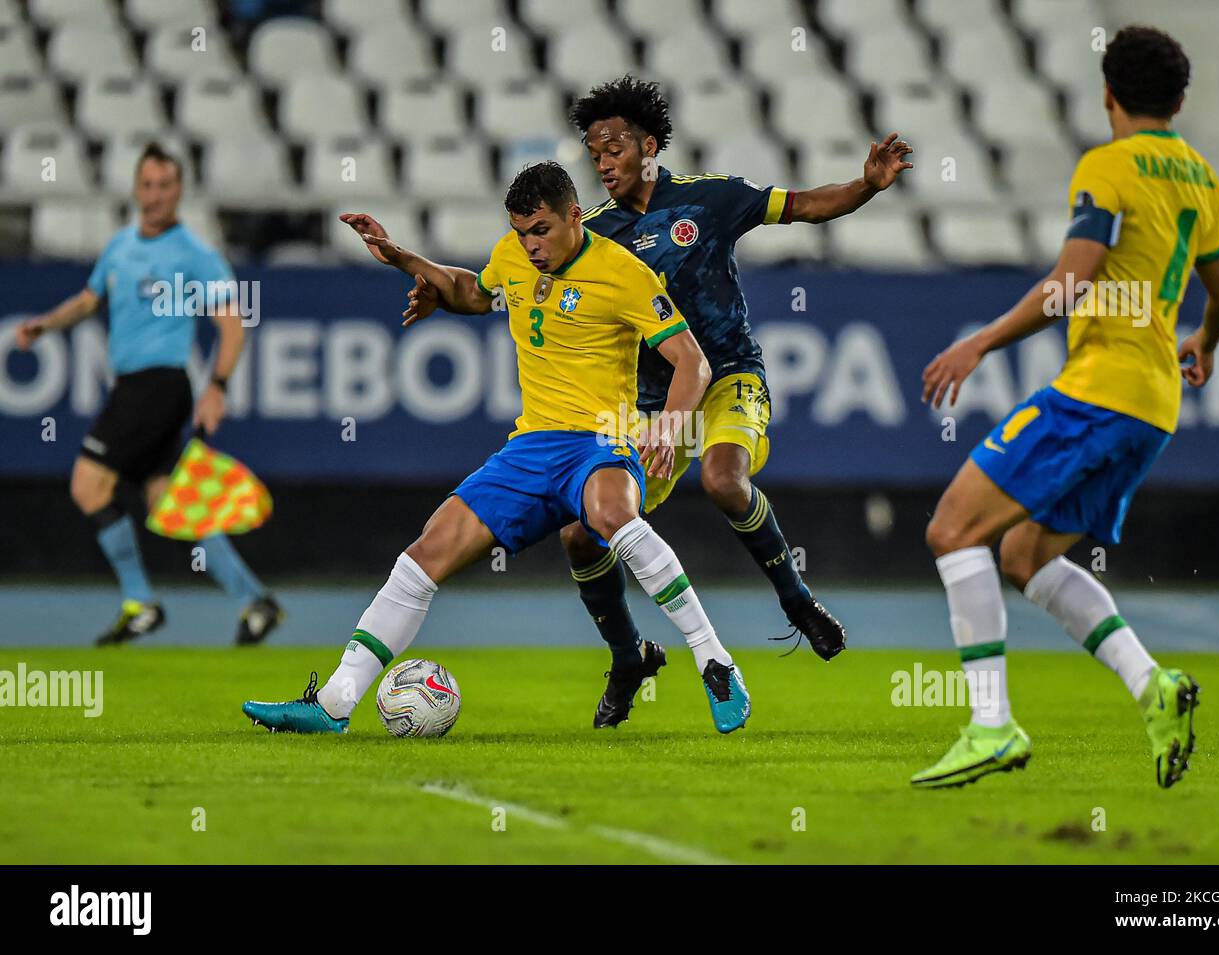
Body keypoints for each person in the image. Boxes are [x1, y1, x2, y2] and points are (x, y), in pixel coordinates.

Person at [408, 76, 913, 728]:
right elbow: (492, 289)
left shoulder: (712, 198)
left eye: (614, 146)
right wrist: (432, 285)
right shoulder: (588, 233)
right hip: (647, 403)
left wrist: (866, 184)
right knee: (579, 533)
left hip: (728, 375)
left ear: (649, 144)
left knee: (725, 477)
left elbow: (807, 206)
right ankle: (627, 658)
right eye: (593, 152)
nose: (604, 161)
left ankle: (796, 600)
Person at [242, 162, 751, 735]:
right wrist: (409, 262)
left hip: (600, 441)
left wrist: (669, 425)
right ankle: (333, 704)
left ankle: (714, 660)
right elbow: (476, 291)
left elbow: (692, 360)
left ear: (573, 217)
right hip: (530, 449)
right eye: (521, 231)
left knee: (613, 515)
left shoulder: (623, 273)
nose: (530, 245)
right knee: (425, 554)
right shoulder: (512, 254)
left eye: (541, 230)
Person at [912, 26, 1219, 789]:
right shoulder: (1202, 177)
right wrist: (1206, 341)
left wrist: (982, 342)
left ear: (1107, 94)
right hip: (1155, 406)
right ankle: (1153, 686)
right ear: (1180, 101)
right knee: (1023, 555)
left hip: (1100, 388)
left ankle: (991, 724)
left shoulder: (1107, 165)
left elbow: (1072, 281)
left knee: (951, 528)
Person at [16, 143, 283, 646]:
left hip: (158, 387)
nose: (155, 195)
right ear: (136, 189)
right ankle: (255, 602)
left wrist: (218, 387)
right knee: (169, 501)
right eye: (147, 185)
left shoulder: (195, 254)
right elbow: (90, 300)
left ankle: (141, 603)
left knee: (87, 485)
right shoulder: (120, 246)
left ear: (179, 191)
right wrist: (45, 326)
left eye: (164, 186)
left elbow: (232, 327)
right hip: (136, 387)